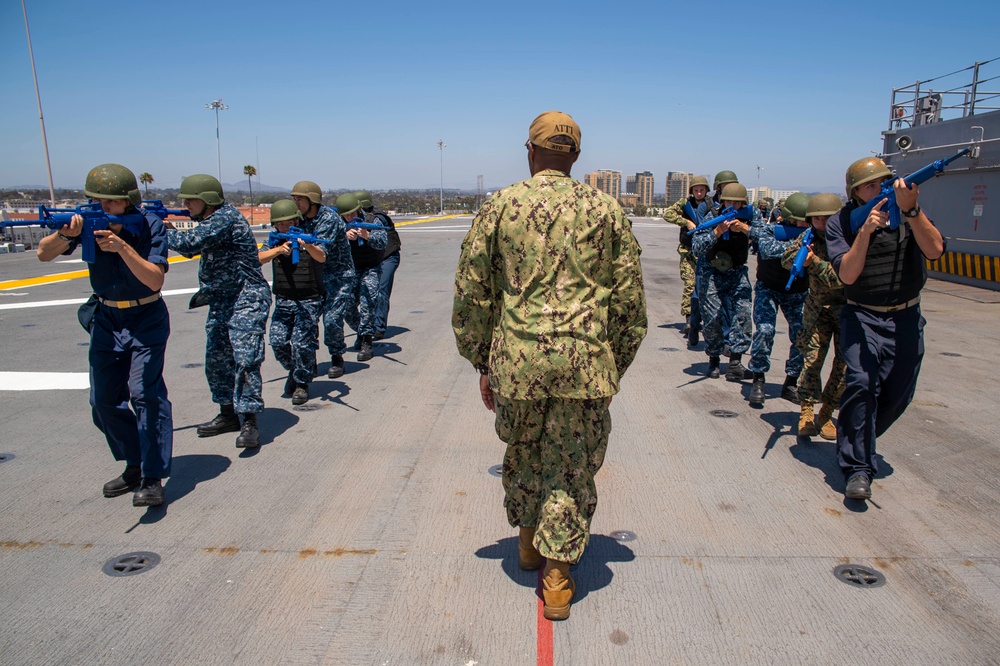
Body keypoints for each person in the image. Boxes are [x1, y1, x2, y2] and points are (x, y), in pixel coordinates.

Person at [453, 111, 647, 621]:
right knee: (570, 461)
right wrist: (611, 366)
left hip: (517, 362)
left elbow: (472, 291)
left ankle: (526, 542)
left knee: (524, 449)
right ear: (576, 157)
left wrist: (482, 360)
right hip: (584, 364)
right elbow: (630, 304)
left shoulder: (500, 205)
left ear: (530, 150)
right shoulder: (606, 209)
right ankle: (557, 576)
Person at [37, 163, 172, 506]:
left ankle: (152, 476)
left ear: (127, 201)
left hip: (145, 316)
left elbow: (155, 279)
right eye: (96, 200)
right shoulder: (87, 224)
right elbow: (43, 254)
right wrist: (66, 235)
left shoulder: (148, 224)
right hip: (107, 318)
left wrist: (122, 247)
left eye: (109, 202)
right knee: (102, 401)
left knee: (145, 394)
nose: (102, 207)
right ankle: (134, 463)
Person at [826, 157, 945, 500]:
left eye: (884, 182)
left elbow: (935, 250)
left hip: (906, 317)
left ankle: (856, 437)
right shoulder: (844, 223)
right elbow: (847, 275)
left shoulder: (910, 213)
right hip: (862, 316)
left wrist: (911, 212)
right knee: (862, 383)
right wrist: (865, 232)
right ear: (855, 193)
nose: (880, 190)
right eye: (870, 186)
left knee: (898, 393)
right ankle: (858, 468)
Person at [166, 175, 271, 449]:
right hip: (222, 299)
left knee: (245, 358)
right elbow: (191, 249)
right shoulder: (210, 221)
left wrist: (152, 227)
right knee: (217, 358)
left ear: (208, 200)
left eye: (191, 199)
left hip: (246, 297)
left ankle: (249, 419)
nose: (186, 204)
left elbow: (188, 244)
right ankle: (228, 413)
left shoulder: (225, 218)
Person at [782, 193, 846, 439]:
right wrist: (800, 257)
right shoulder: (807, 238)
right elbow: (787, 260)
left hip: (845, 311)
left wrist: (815, 263)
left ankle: (827, 413)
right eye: (817, 219)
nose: (821, 223)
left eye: (827, 218)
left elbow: (842, 277)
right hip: (817, 311)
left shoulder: (847, 241)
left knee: (843, 368)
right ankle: (807, 412)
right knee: (811, 362)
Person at [258, 200, 326, 406]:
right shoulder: (274, 242)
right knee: (277, 342)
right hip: (284, 299)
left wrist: (307, 245)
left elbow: (322, 257)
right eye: (280, 224)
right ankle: (296, 370)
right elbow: (258, 258)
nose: (285, 228)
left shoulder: (307, 236)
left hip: (309, 300)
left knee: (301, 343)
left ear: (297, 220)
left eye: (289, 223)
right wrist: (278, 250)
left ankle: (302, 384)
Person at [746, 192, 810, 406]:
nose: (803, 224)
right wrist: (800, 245)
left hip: (797, 292)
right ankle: (758, 378)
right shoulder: (769, 230)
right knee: (764, 331)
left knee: (802, 335)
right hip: (769, 289)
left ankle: (791, 381)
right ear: (788, 217)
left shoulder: (815, 234)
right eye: (799, 220)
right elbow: (768, 250)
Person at [290, 181, 355, 379]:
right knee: (305, 322)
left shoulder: (328, 219)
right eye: (294, 199)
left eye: (300, 199)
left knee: (332, 320)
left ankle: (337, 357)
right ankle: (307, 364)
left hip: (339, 276)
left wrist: (307, 245)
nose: (296, 203)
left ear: (312, 200)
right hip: (314, 277)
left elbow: (321, 255)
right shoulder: (299, 219)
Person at [691, 182, 753, 380]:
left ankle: (735, 361)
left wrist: (745, 229)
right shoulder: (713, 217)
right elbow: (697, 247)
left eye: (737, 203)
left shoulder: (752, 216)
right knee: (711, 319)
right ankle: (714, 360)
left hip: (737, 272)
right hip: (713, 273)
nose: (732, 206)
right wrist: (716, 232)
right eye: (728, 202)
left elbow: (766, 238)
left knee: (742, 315)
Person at [339, 192, 388, 362]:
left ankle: (367, 340)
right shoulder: (339, 225)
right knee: (346, 306)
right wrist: (345, 238)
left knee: (368, 301)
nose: (350, 217)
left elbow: (383, 242)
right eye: (346, 215)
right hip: (350, 270)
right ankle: (362, 330)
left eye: (353, 213)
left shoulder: (372, 220)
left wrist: (367, 236)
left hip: (371, 268)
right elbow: (328, 244)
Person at [662, 175, 711, 343]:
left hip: (705, 252)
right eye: (696, 190)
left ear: (706, 190)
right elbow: (667, 214)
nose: (698, 193)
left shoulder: (711, 206)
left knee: (705, 288)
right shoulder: (685, 204)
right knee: (690, 284)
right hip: (688, 250)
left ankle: (702, 319)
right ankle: (689, 319)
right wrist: (686, 222)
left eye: (701, 190)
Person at [355, 190, 400, 341]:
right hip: (372, 259)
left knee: (381, 290)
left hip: (388, 257)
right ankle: (364, 327)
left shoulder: (378, 218)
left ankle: (378, 328)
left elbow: (380, 234)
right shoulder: (355, 219)